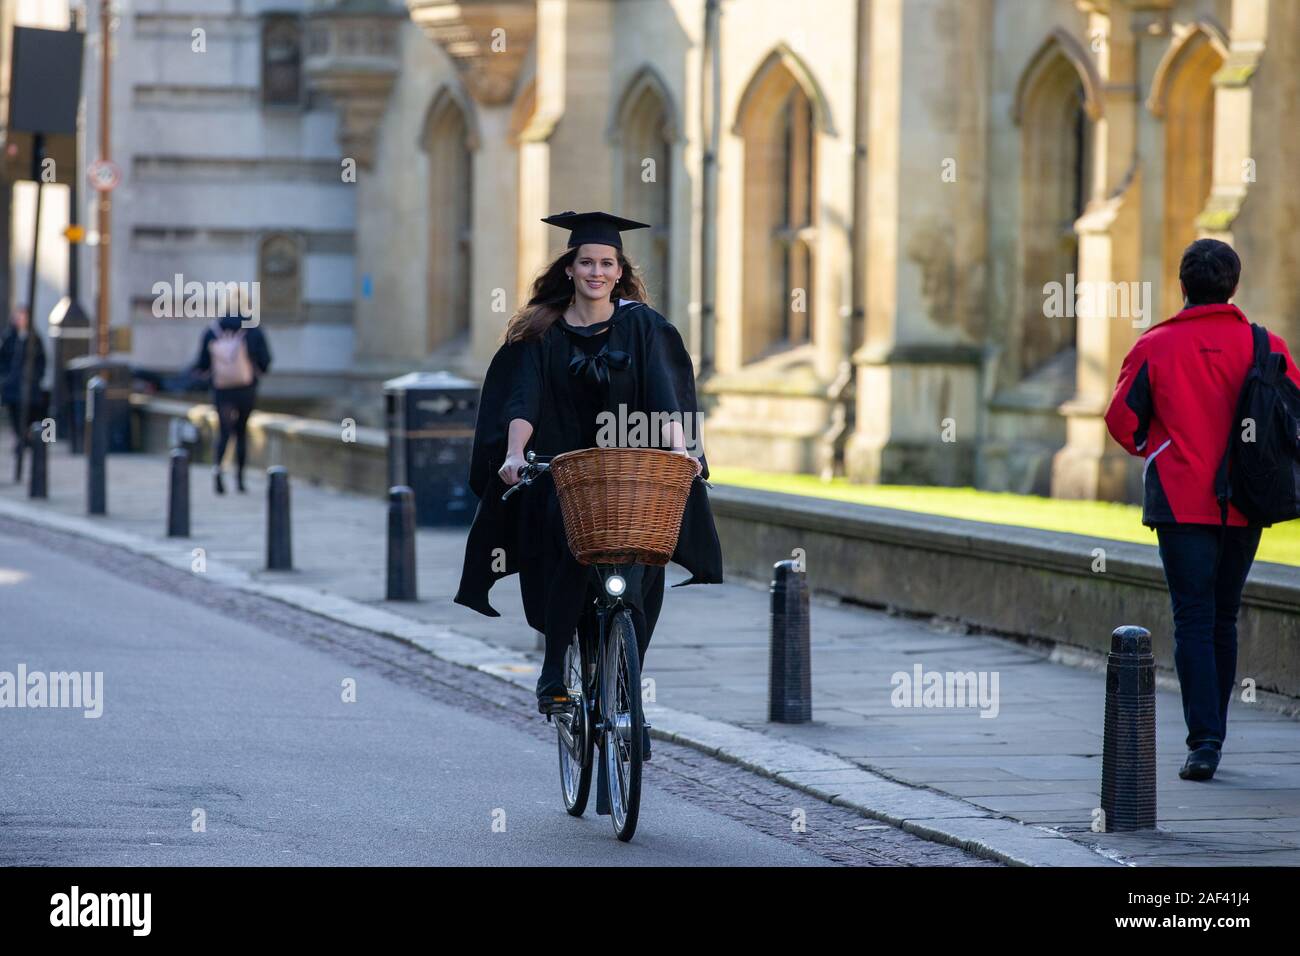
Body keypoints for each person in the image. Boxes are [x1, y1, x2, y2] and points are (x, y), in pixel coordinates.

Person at [454, 210, 723, 757]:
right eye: (587, 262)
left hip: (631, 468)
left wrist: (679, 449)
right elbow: (521, 401)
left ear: (619, 271)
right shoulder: (539, 330)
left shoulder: (645, 327)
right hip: (560, 467)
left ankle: (628, 694)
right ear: (570, 268)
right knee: (572, 538)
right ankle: (554, 670)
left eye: (607, 263)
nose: (597, 272)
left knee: (644, 566)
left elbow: (666, 397)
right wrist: (512, 454)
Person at [1105, 238, 1300, 782]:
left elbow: (1121, 420)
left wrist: (1160, 450)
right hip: (1246, 498)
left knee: (1191, 616)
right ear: (1233, 286)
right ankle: (1215, 735)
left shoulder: (1156, 345)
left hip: (1180, 499)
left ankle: (1204, 742)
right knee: (1223, 614)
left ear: (1182, 285)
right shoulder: (1269, 345)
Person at [190, 310, 271, 494]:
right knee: (241, 432)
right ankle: (240, 479)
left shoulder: (213, 330)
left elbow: (202, 363)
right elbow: (266, 360)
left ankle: (218, 474)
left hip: (222, 389)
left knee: (224, 432)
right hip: (246, 389)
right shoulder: (253, 330)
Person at [0, 306, 46, 458]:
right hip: (12, 386)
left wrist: (36, 377)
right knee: (15, 415)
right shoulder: (8, 337)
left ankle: (28, 441)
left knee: (31, 416)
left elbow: (41, 361)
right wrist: (6, 378)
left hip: (30, 386)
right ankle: (21, 440)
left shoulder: (34, 337)